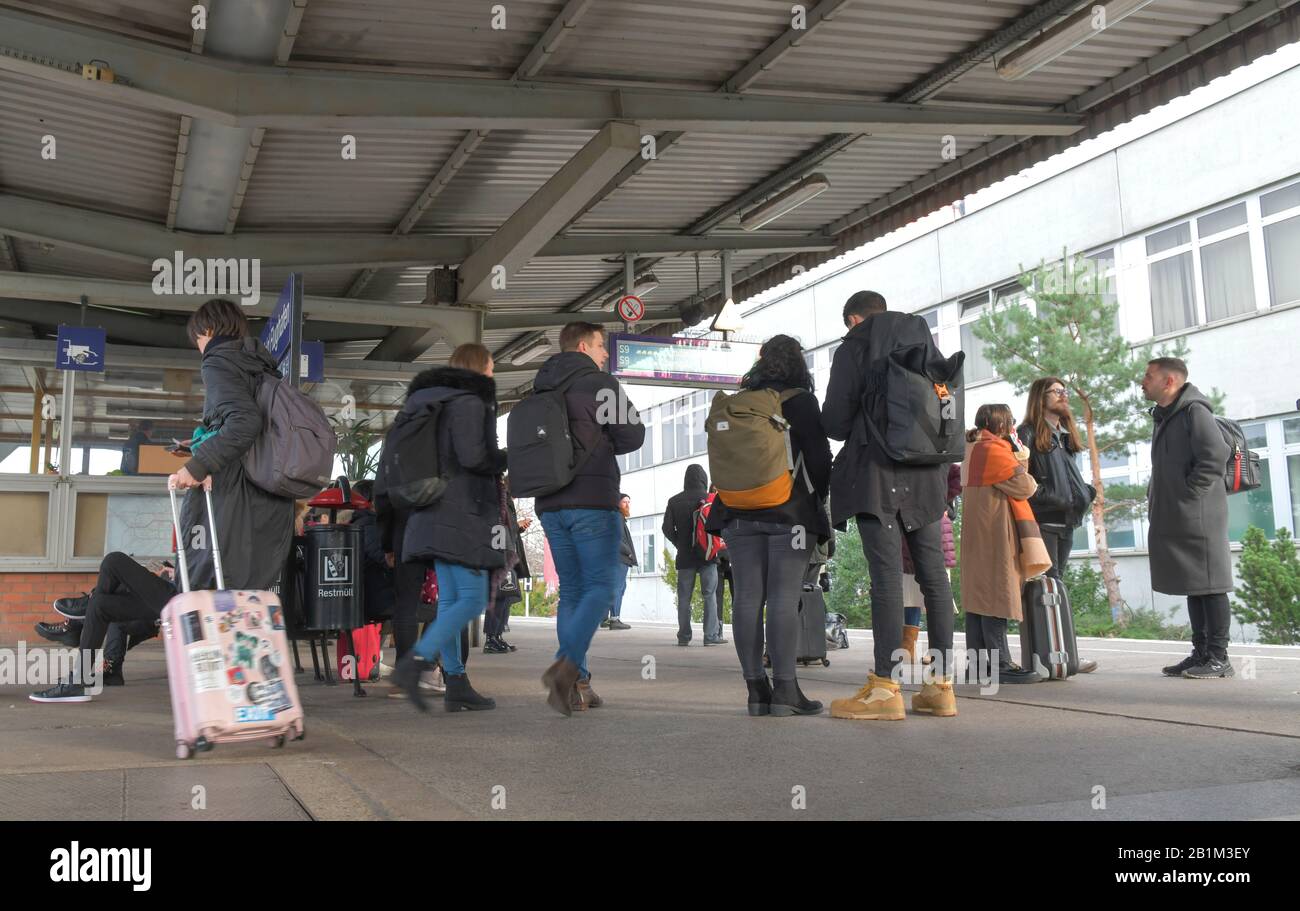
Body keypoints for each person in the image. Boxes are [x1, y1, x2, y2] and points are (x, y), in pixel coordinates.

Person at [822, 290, 958, 721]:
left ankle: (885, 688)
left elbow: (836, 424)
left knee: (887, 581)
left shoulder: (854, 347)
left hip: (876, 475)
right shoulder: (924, 344)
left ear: (853, 319)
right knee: (934, 579)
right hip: (927, 479)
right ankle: (940, 686)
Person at [706, 335, 832, 716]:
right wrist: (817, 499)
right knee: (781, 597)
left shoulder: (738, 403)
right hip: (789, 515)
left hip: (736, 512)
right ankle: (786, 692)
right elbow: (820, 458)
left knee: (746, 598)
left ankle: (755, 690)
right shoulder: (801, 401)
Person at [532, 322, 645, 715]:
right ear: (583, 346)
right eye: (601, 346)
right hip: (593, 500)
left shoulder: (540, 388)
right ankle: (564, 670)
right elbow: (633, 435)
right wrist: (605, 438)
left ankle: (578, 683)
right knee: (603, 588)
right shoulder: (601, 384)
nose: (605, 354)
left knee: (573, 592)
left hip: (550, 503)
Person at [390, 343, 508, 711]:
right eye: (490, 367)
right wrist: (508, 457)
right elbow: (475, 457)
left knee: (452, 602)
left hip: (429, 512)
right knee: (471, 599)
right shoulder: (471, 402)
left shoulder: (430, 403)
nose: (492, 374)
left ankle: (455, 680)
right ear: (478, 368)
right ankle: (415, 663)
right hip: (461, 513)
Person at [173, 298, 294, 592]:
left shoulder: (218, 361)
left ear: (209, 330)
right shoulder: (261, 367)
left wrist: (198, 465)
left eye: (198, 338)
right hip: (266, 496)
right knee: (245, 601)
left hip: (234, 499)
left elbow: (244, 422)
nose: (199, 347)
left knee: (206, 591)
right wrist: (207, 438)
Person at [1141, 357, 1234, 679]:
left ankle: (1219, 658)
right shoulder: (1166, 415)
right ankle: (1201, 654)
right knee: (1195, 585)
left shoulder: (1195, 411)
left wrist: (1188, 493)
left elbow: (1215, 456)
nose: (1142, 381)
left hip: (1200, 514)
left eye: (1148, 376)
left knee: (1211, 584)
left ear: (1169, 381)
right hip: (1182, 513)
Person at [959, 404, 1051, 685]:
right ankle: (999, 663)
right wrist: (1021, 457)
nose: (1012, 425)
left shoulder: (969, 448)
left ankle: (976, 665)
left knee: (978, 599)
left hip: (976, 532)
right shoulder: (993, 449)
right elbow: (1026, 487)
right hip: (995, 531)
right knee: (997, 594)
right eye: (1009, 421)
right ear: (1000, 423)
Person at [1018, 377, 1099, 674]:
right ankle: (1046, 656)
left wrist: (1085, 493)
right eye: (1058, 392)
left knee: (1057, 585)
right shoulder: (1026, 433)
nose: (1065, 396)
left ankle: (1061, 654)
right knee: (1044, 585)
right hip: (1044, 521)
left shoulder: (1063, 436)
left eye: (1065, 391)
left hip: (1066, 520)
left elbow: (1070, 478)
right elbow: (1020, 480)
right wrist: (1055, 498)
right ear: (1041, 398)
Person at [29, 552, 178, 702]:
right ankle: (77, 681)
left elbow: (197, 578)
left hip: (180, 598)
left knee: (114, 561)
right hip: (170, 592)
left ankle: (79, 618)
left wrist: (173, 574)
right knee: (99, 604)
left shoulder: (196, 533)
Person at [899, 464, 960, 665]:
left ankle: (936, 651)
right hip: (910, 522)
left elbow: (957, 477)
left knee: (936, 590)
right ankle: (908, 646)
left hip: (933, 524)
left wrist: (943, 503)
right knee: (910, 592)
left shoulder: (940, 454)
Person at [663, 465, 724, 646]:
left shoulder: (674, 501)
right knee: (709, 595)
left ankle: (684, 636)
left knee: (684, 597)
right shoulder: (711, 499)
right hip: (708, 555)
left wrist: (679, 542)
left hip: (685, 556)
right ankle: (710, 636)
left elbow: (666, 529)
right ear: (704, 479)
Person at [484, 487, 529, 653]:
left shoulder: (506, 499)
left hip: (506, 551)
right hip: (502, 553)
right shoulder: (500, 498)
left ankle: (497, 635)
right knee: (500, 596)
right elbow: (499, 526)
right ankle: (491, 637)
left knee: (506, 596)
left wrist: (518, 528)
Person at [600, 493, 635, 630]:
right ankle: (615, 619)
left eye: (629, 502)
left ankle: (604, 618)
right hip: (619, 558)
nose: (628, 505)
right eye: (625, 502)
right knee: (617, 588)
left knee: (611, 588)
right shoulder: (617, 517)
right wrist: (629, 552)